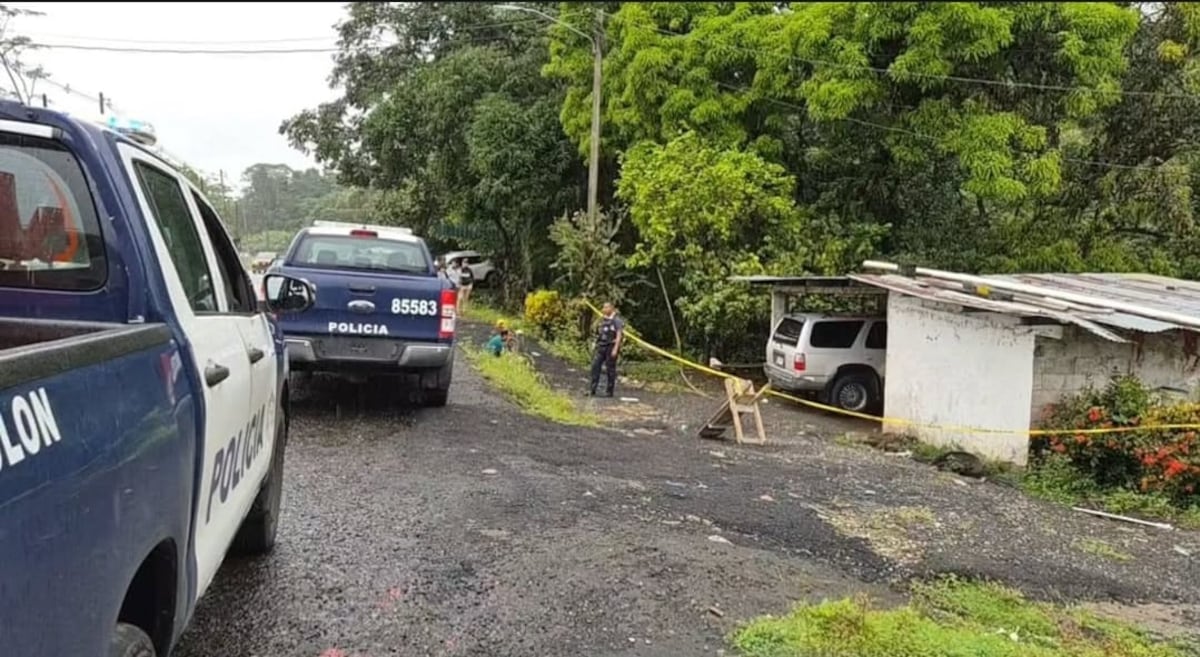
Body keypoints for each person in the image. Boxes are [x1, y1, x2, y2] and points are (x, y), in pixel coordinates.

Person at [588, 302, 624, 397]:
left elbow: (619, 335)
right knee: (595, 366)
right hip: (601, 346)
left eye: (606, 307)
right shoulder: (603, 319)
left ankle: (609, 391)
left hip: (611, 346)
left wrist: (615, 349)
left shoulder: (617, 321)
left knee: (610, 369)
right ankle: (592, 390)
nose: (604, 309)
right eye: (603, 307)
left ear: (611, 308)